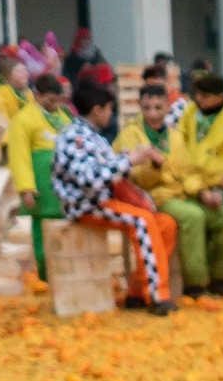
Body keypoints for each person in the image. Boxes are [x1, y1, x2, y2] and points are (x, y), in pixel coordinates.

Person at [50, 76, 178, 313]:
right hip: (86, 205)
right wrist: (131, 159)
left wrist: (129, 160)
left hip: (106, 200)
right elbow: (90, 180)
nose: (111, 114)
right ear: (97, 110)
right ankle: (158, 296)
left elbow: (108, 169)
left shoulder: (93, 135)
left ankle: (137, 292)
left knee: (166, 224)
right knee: (143, 221)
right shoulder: (74, 138)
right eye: (109, 109)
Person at [118, 73, 223, 300]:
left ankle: (222, 279)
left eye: (158, 108)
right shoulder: (130, 136)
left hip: (184, 194)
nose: (153, 114)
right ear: (139, 107)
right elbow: (133, 179)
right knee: (192, 217)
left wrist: (204, 193)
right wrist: (153, 167)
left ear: (168, 107)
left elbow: (189, 172)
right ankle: (195, 284)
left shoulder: (174, 136)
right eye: (147, 108)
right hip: (156, 197)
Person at [159, 70, 223, 297]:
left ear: (219, 96)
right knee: (197, 225)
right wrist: (195, 185)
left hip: (220, 184)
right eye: (198, 95)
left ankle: (222, 279)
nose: (199, 100)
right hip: (190, 183)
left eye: (205, 96)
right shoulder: (191, 111)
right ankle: (196, 283)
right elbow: (181, 141)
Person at [7, 73, 71, 279]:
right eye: (50, 101)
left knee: (65, 232)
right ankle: (46, 276)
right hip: (40, 188)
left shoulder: (63, 118)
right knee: (42, 235)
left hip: (63, 188)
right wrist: (26, 188)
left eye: (57, 101)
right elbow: (19, 157)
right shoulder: (23, 119)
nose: (54, 106)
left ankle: (65, 273)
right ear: (37, 95)